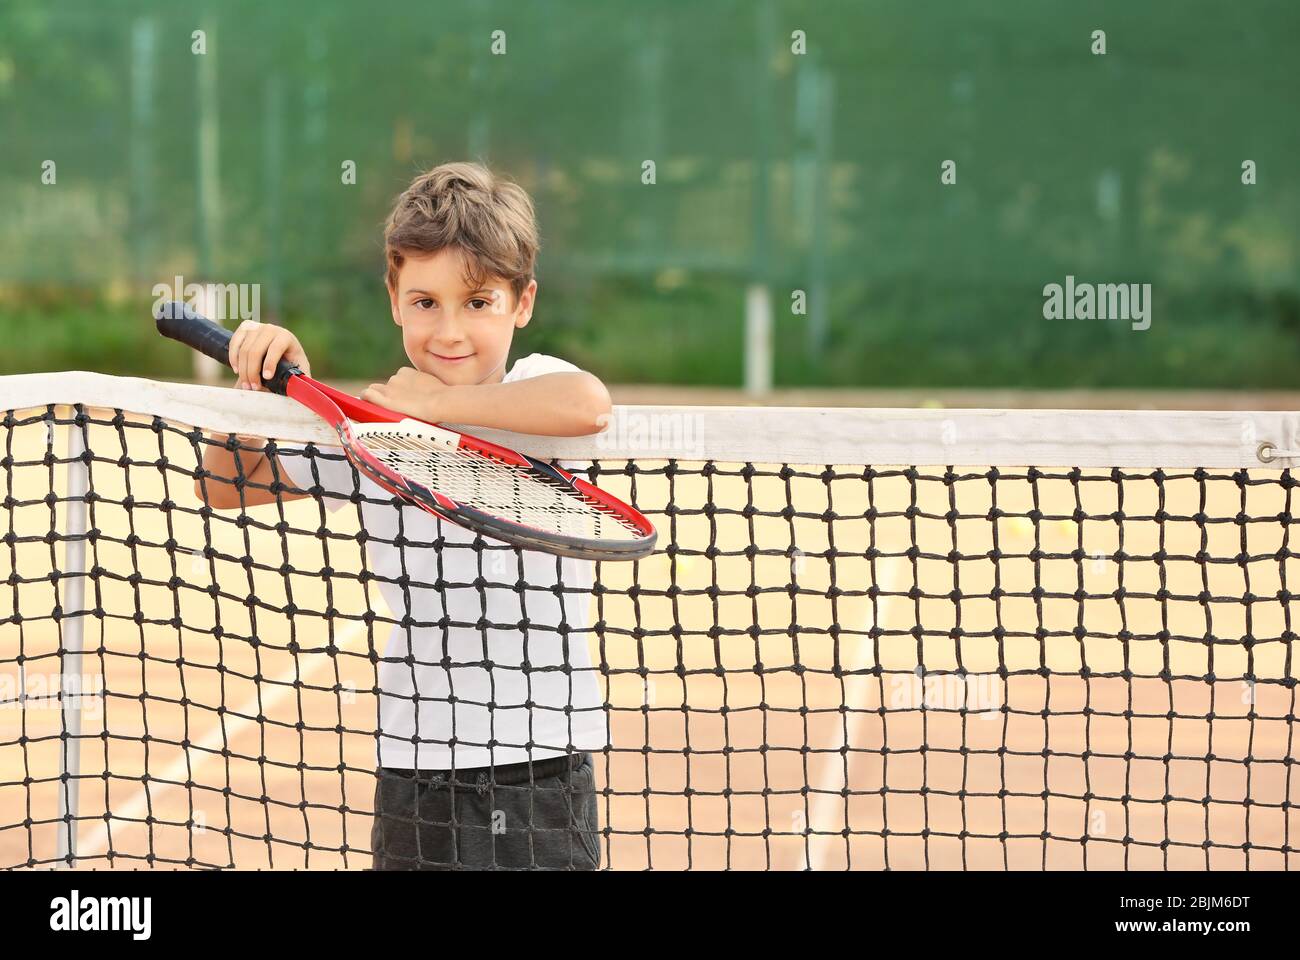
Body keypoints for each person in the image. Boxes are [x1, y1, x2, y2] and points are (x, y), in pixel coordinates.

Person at [196, 162, 611, 870]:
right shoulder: (371, 431)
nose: (449, 330)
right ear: (393, 298)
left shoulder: (535, 391)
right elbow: (233, 484)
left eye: (478, 302)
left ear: (523, 302)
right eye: (425, 302)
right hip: (417, 771)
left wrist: (434, 406)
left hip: (542, 771)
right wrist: (266, 396)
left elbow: (588, 403)